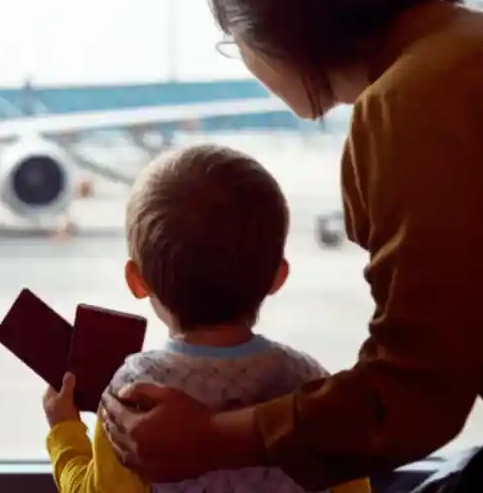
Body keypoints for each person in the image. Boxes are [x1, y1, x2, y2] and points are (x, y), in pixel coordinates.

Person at [99, 0, 483, 489]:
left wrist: (209, 440)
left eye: (233, 41)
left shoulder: (416, 99)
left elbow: (412, 398)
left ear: (271, 28)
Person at [42, 144, 371, 492]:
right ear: (278, 276)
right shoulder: (309, 385)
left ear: (136, 281)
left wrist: (65, 432)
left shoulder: (134, 395)